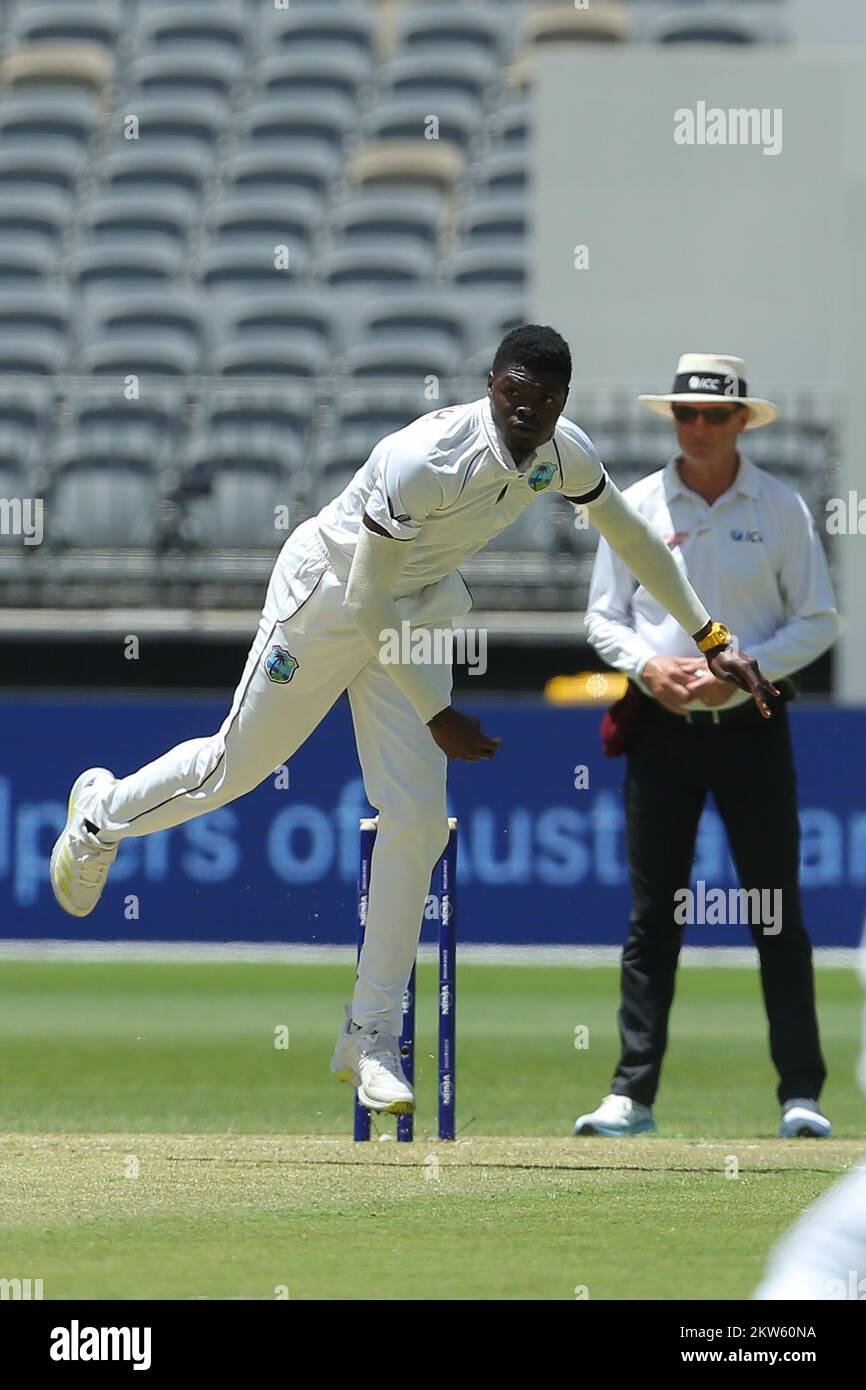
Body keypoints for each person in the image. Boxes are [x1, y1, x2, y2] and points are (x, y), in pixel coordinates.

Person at [50, 327, 774, 1122]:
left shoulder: (564, 453)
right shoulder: (425, 459)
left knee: (420, 819)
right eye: (512, 394)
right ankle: (99, 817)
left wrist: (714, 637)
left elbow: (632, 538)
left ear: (561, 401)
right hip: (329, 597)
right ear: (492, 385)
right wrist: (436, 713)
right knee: (236, 769)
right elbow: (365, 602)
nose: (524, 412)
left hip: (419, 607)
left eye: (541, 400)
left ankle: (369, 1038)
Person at [575, 353, 839, 1140]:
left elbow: (819, 619)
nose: (697, 428)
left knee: (774, 911)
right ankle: (632, 1094)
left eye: (713, 416)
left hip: (751, 727)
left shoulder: (782, 505)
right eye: (686, 414)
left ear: (740, 422)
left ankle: (801, 1094)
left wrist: (744, 676)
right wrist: (649, 667)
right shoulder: (634, 506)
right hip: (661, 728)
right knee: (654, 916)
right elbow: (602, 617)